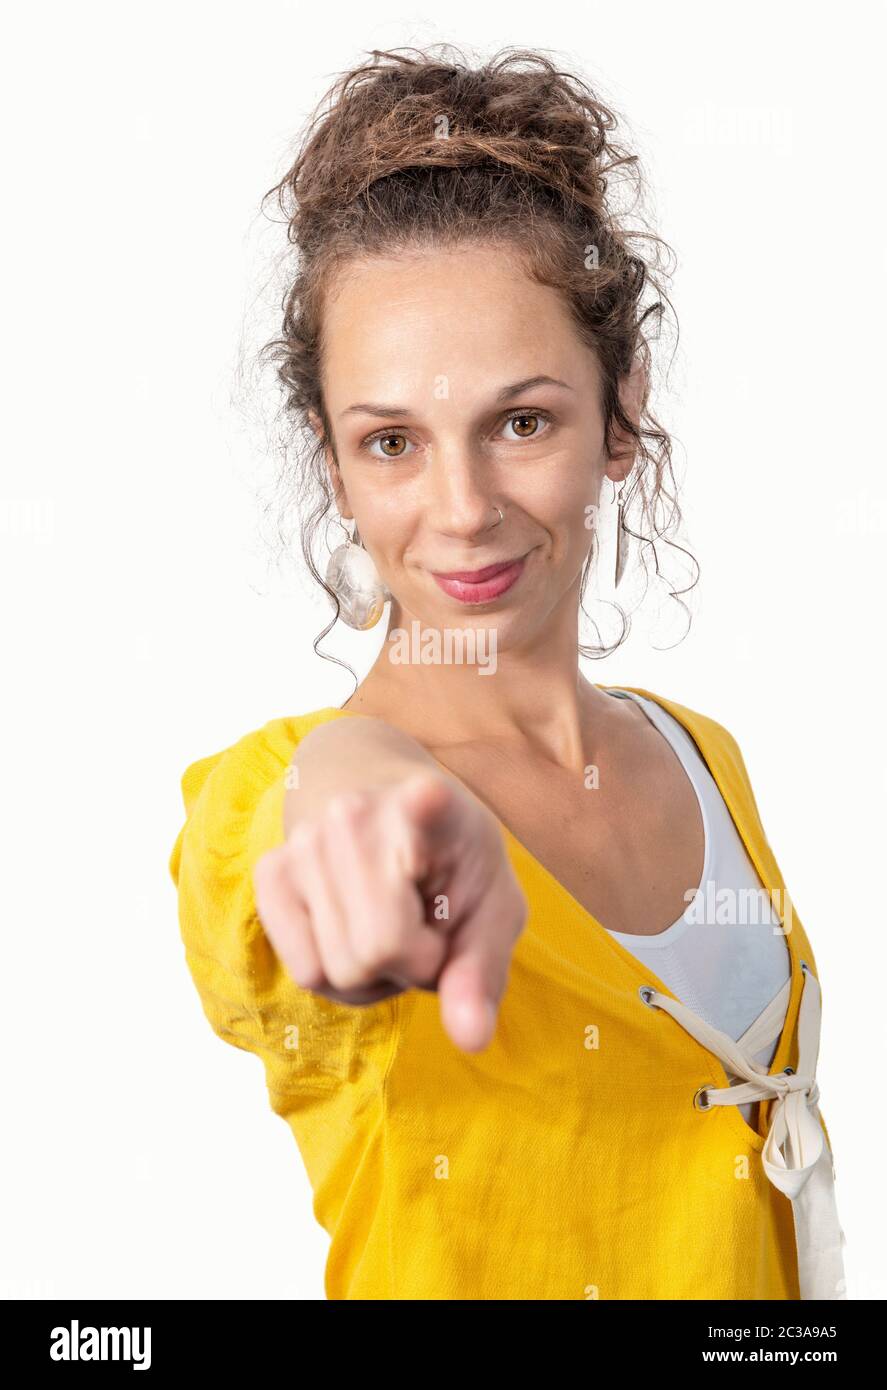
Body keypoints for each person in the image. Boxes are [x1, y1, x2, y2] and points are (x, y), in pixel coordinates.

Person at [169, 45, 846, 1300]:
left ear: (620, 414)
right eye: (390, 443)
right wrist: (348, 790)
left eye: (520, 421)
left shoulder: (701, 757)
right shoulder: (320, 794)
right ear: (330, 461)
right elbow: (276, 845)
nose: (462, 507)